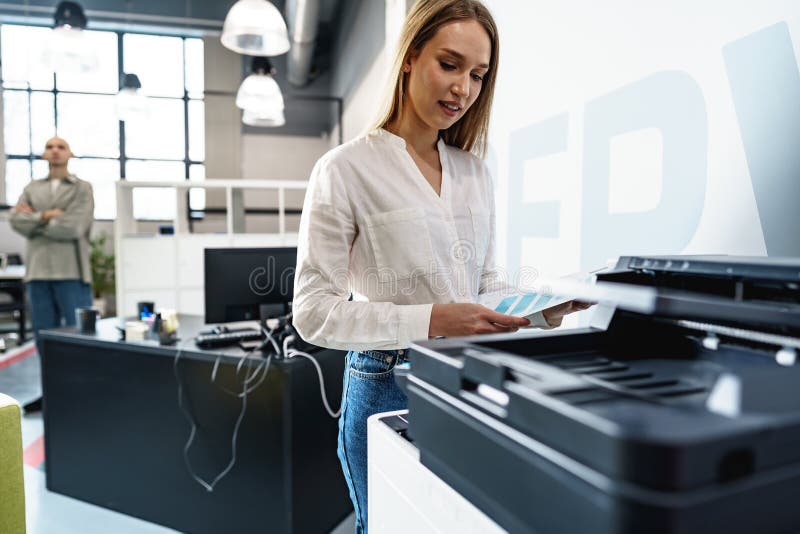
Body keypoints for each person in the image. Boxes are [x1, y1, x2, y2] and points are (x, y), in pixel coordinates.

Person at [293, 1, 588, 531]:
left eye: (478, 75)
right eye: (449, 65)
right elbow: (313, 312)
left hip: (465, 376)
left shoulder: (474, 172)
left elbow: (484, 285)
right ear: (410, 57)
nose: (462, 89)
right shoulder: (345, 169)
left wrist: (542, 309)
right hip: (386, 381)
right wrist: (431, 319)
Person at [9, 136, 94, 413]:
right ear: (44, 154)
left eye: (61, 146)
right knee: (43, 337)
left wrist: (34, 219)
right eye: (49, 147)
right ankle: (51, 394)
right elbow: (16, 221)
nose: (55, 151)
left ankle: (81, 394)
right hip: (38, 273)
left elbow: (74, 227)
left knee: (79, 337)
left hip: (71, 272)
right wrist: (48, 216)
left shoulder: (82, 188)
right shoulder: (31, 188)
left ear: (70, 153)